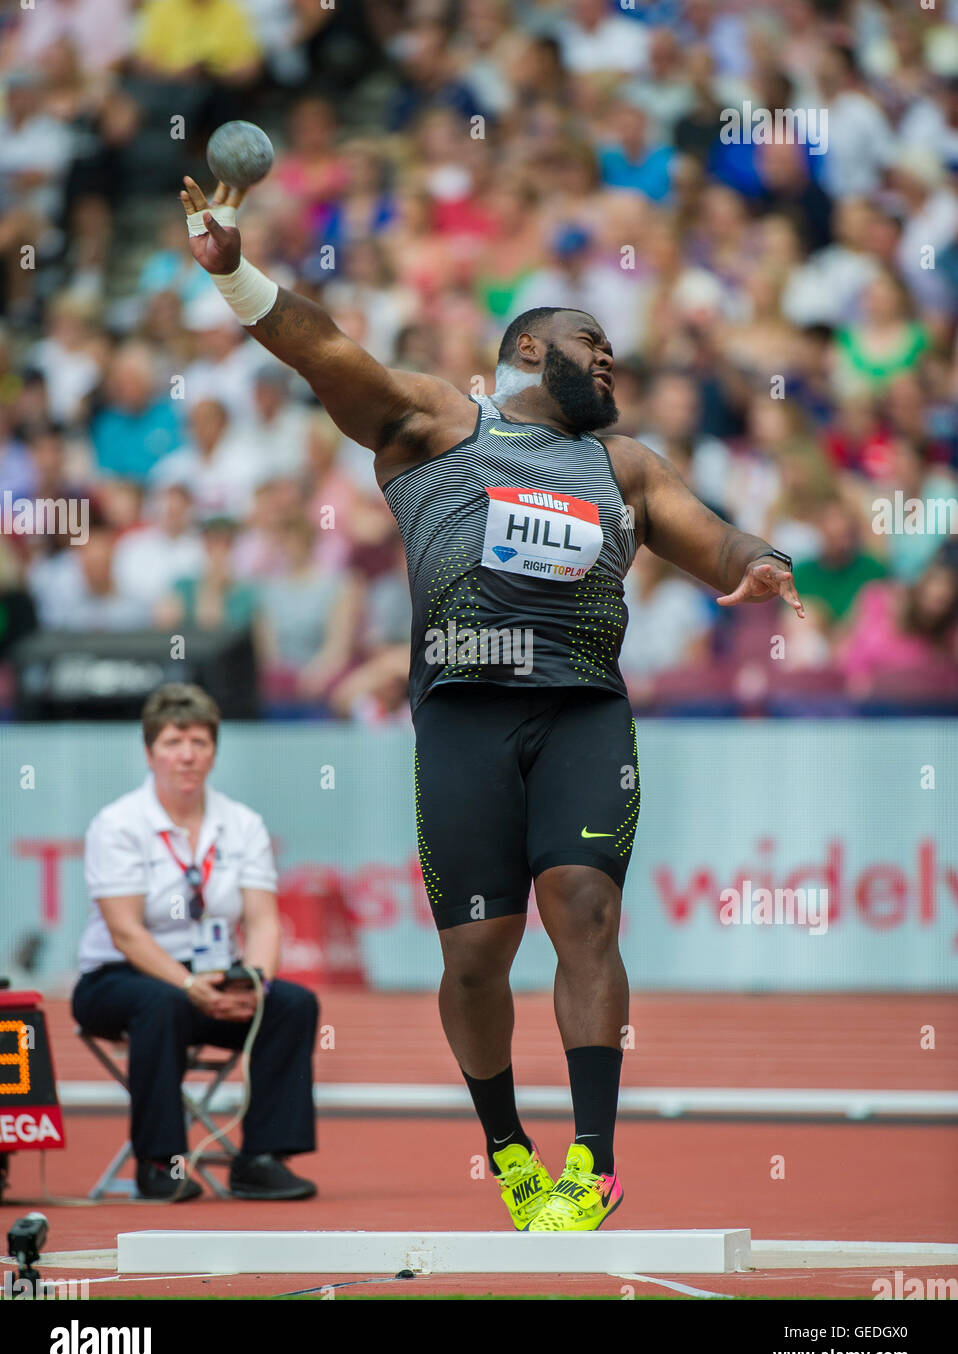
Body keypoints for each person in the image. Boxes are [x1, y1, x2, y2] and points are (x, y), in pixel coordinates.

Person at [179, 174, 804, 1233]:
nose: (609, 358)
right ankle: (510, 1148)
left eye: (613, 350)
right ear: (527, 353)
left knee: (586, 908)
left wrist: (760, 558)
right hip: (463, 715)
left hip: (580, 711)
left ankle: (591, 1163)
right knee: (475, 955)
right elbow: (329, 350)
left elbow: (718, 541)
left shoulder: (624, 464)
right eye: (587, 342)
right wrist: (240, 277)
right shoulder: (439, 423)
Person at [72, 683, 318, 1200]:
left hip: (212, 974)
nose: (187, 755)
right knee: (161, 1003)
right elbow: (126, 931)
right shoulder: (119, 823)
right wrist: (187, 984)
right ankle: (161, 1164)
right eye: (173, 742)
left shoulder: (242, 823)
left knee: (292, 1004)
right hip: (118, 979)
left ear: (214, 752)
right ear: (149, 752)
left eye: (200, 742)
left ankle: (261, 1158)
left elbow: (264, 921)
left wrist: (253, 982)